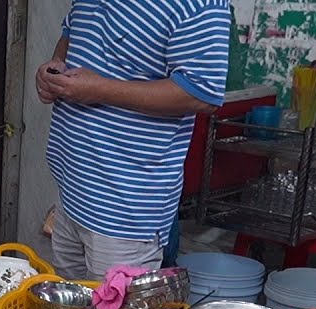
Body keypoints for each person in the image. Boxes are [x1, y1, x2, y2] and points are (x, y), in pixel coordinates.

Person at [36, 1, 230, 280]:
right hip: (72, 190)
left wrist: (100, 90)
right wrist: (54, 70)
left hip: (125, 211)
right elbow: (71, 33)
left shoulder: (199, 6)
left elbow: (201, 94)